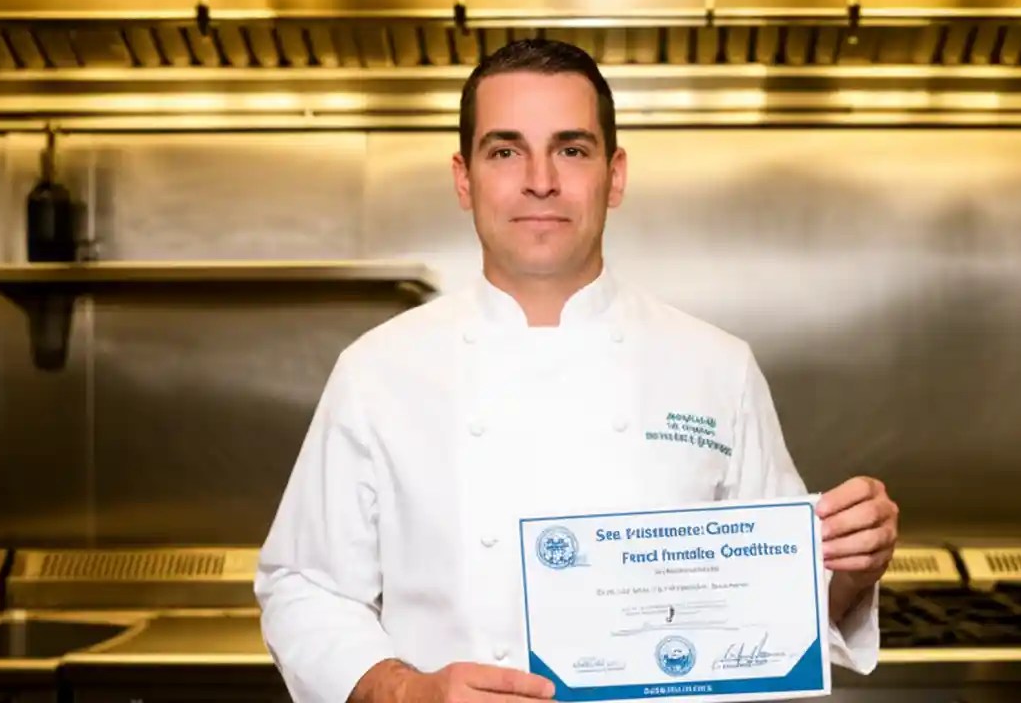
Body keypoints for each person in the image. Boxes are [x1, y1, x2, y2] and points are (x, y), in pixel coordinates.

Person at [255, 38, 899, 703]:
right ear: (463, 178)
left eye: (571, 148)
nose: (541, 179)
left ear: (614, 175)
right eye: (505, 151)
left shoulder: (716, 367)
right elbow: (302, 585)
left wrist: (850, 568)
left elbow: (775, 605)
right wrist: (404, 691)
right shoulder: (377, 374)